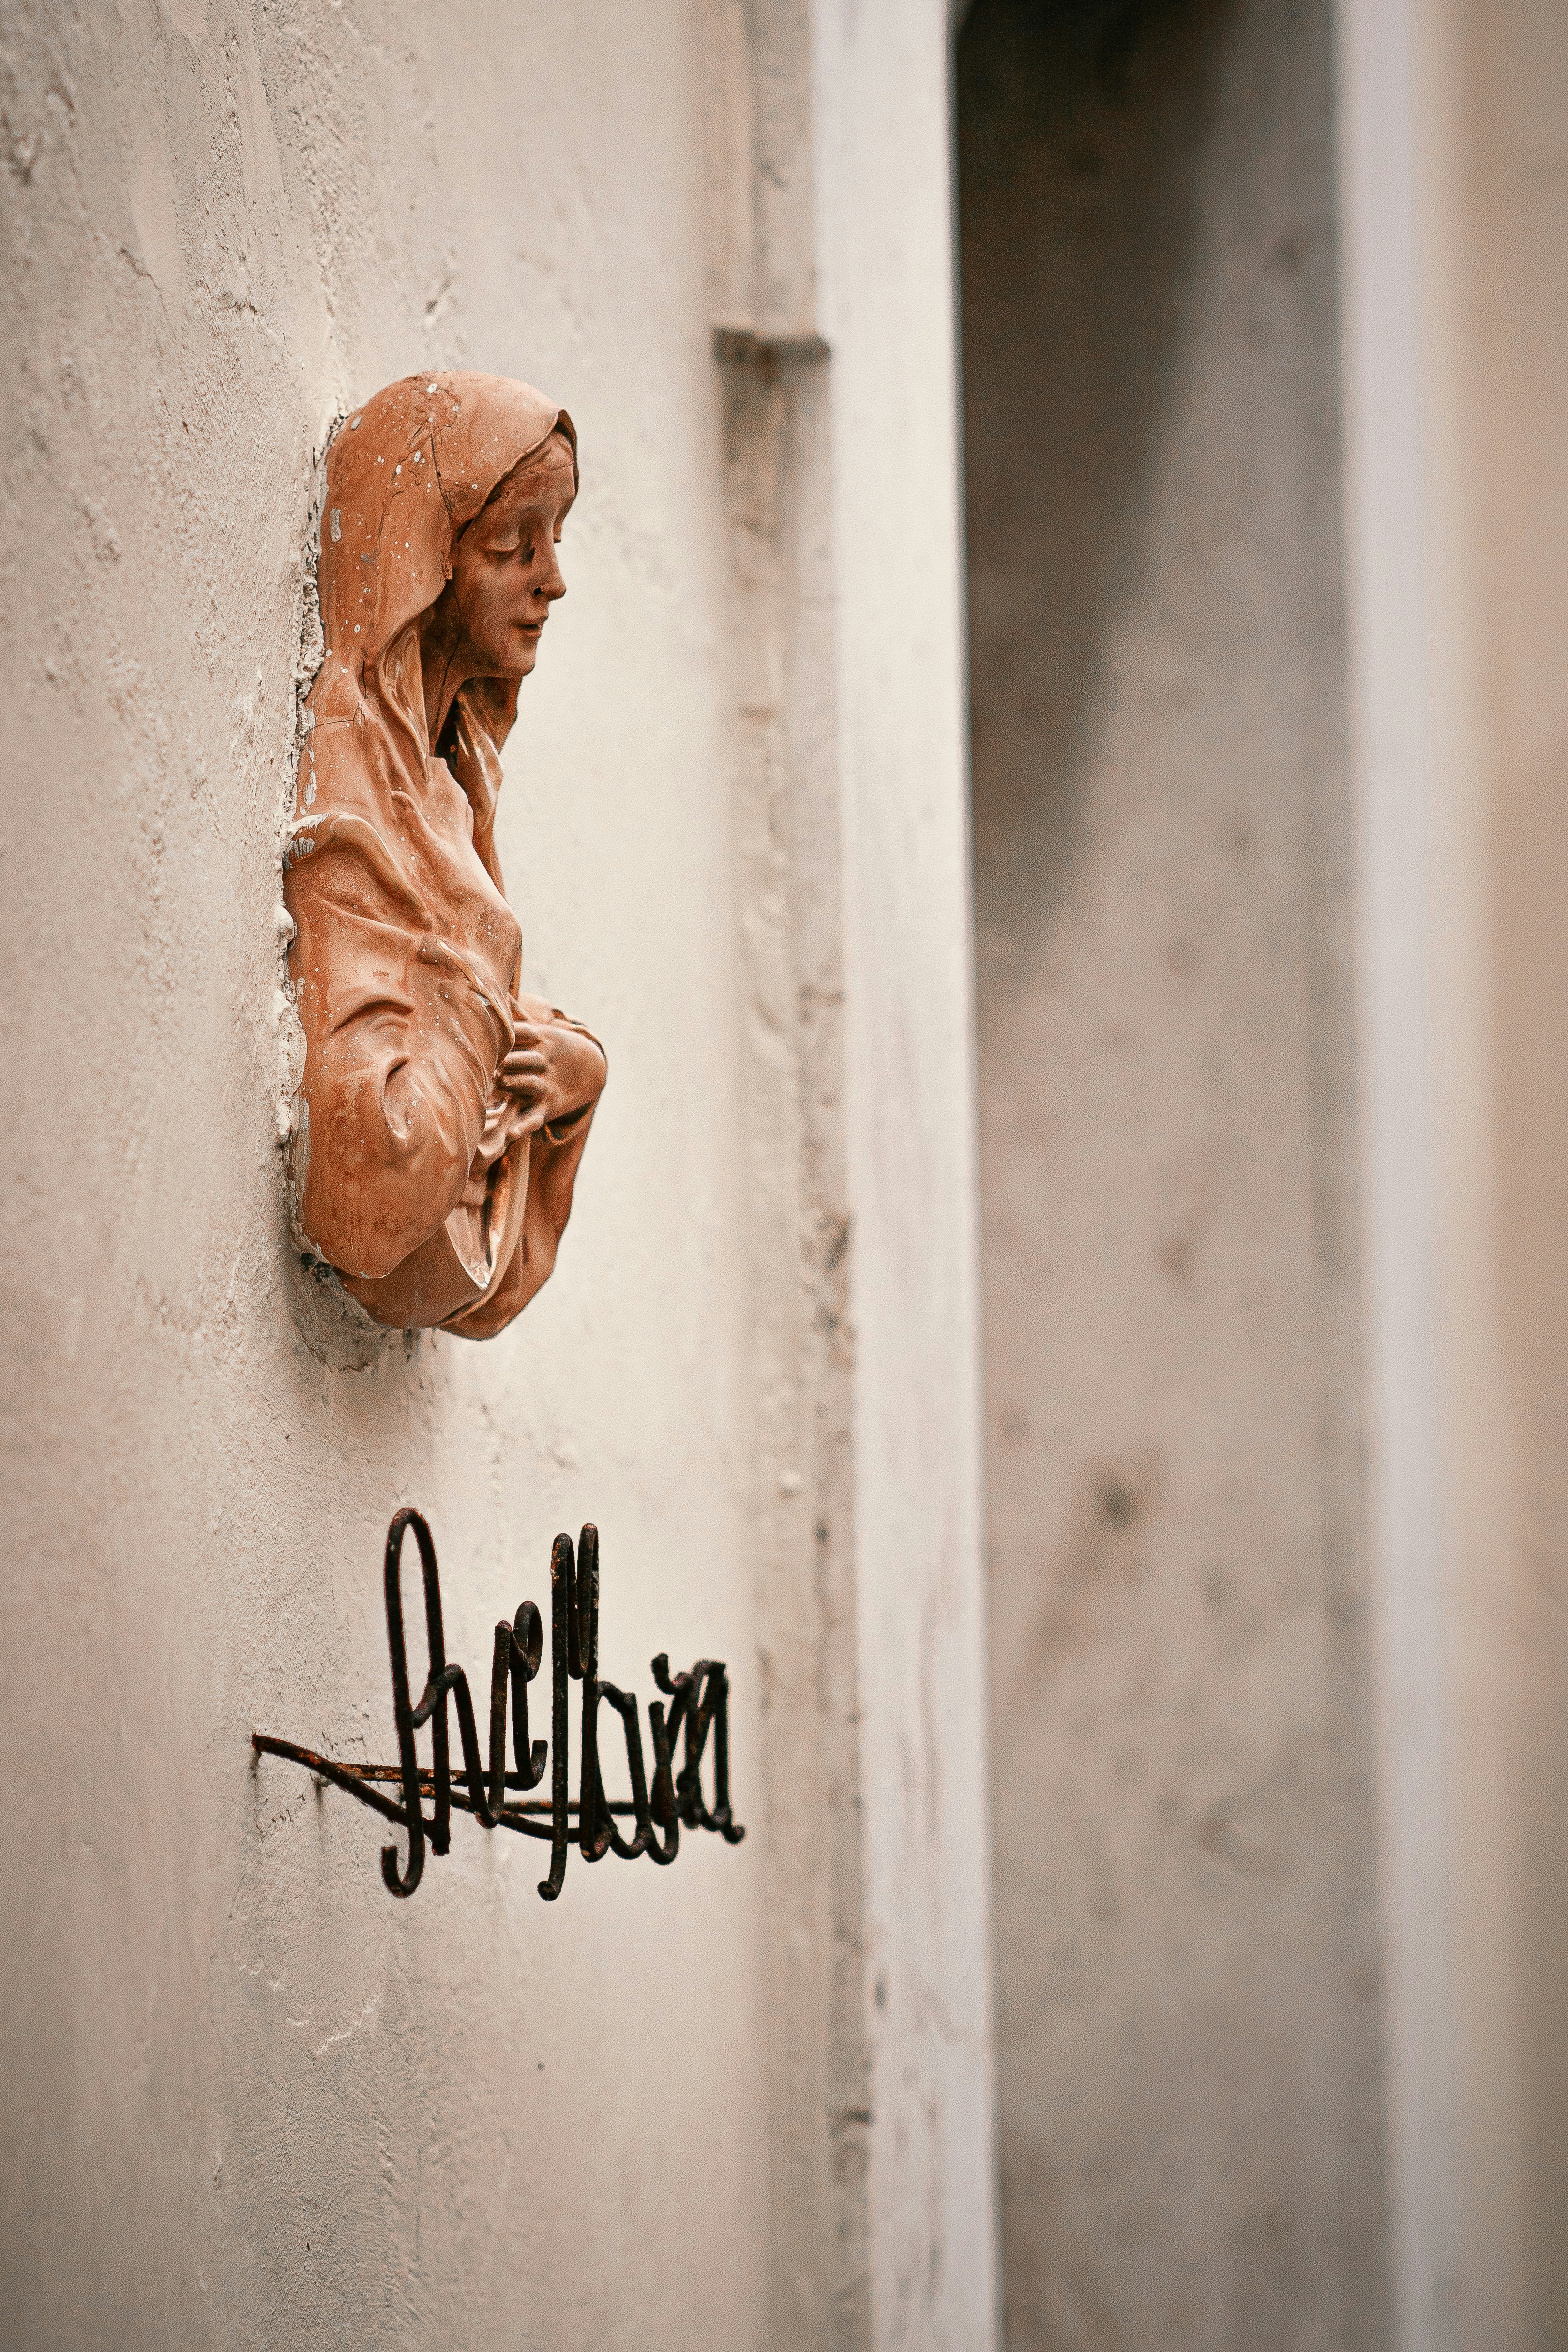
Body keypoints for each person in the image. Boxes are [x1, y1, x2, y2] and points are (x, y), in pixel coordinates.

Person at [284, 371, 606, 1336]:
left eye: (557, 541)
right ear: (424, 562)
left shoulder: (454, 771)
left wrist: (572, 1074)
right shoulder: (352, 790)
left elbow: (485, 1013)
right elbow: (370, 1192)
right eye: (514, 545)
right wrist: (479, 967)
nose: (553, 579)